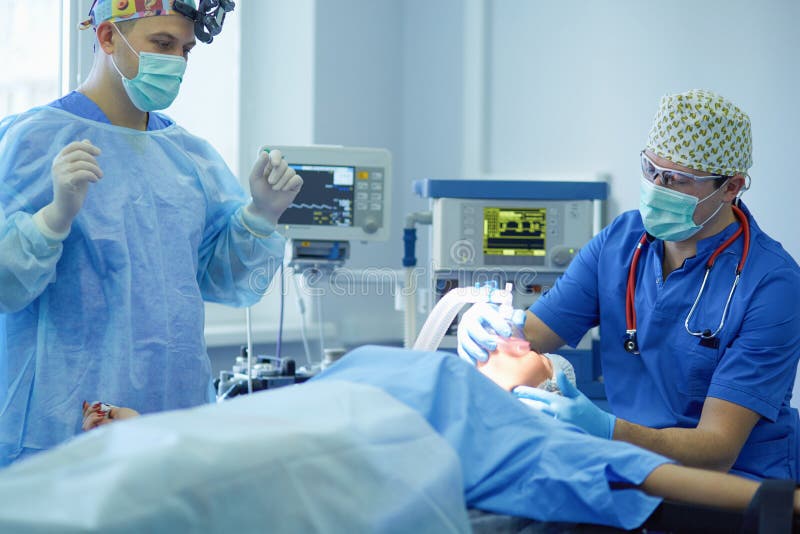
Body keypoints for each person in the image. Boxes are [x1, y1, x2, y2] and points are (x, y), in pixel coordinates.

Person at [3, 346, 797, 532]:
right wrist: (154, 425)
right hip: (290, 421)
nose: (507, 342)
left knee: (152, 498)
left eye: (527, 351)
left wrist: (783, 506)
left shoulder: (530, 430)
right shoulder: (381, 357)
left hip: (354, 450)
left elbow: (660, 478)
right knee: (139, 467)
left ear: (547, 382)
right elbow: (261, 411)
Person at [0, 0, 302, 466]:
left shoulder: (188, 157)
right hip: (60, 423)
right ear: (106, 38)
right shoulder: (33, 142)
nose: (176, 62)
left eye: (184, 49)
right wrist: (53, 218)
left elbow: (220, 278)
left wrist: (262, 213)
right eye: (161, 44)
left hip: (170, 418)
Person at [459, 89, 800, 482]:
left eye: (678, 180)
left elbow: (718, 449)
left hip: (733, 487)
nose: (657, 186)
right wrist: (490, 329)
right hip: (631, 468)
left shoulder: (771, 285)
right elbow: (532, 335)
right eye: (651, 169)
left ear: (731, 187)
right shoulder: (620, 242)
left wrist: (607, 430)